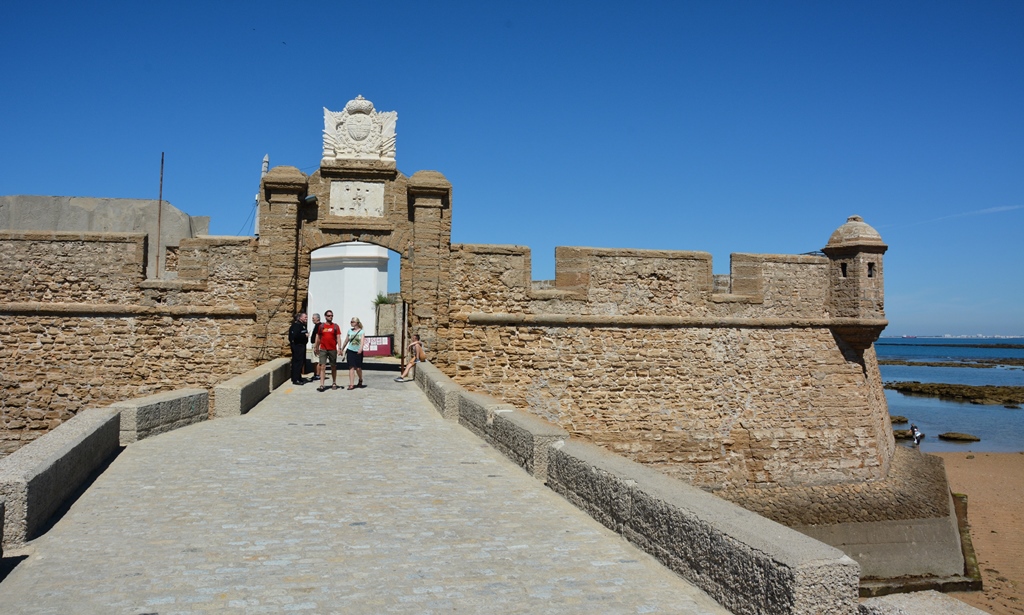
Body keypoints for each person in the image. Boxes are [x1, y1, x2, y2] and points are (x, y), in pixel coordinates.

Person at [315, 310, 342, 391]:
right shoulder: (321, 326)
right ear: (325, 316)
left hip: (332, 348)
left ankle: (334, 382)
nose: (330, 317)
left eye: (331, 315)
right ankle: (322, 384)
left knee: (333, 366)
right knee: (322, 366)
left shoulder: (335, 326)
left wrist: (339, 348)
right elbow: (318, 337)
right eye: (329, 315)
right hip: (323, 348)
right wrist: (316, 347)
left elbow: (338, 337)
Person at [341, 317, 365, 390]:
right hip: (350, 350)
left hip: (358, 351)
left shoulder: (361, 332)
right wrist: (342, 348)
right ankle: (351, 384)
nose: (351, 323)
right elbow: (346, 340)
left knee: (358, 368)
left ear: (357, 323)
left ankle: (360, 379)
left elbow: (362, 341)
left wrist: (361, 348)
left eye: (353, 322)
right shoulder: (350, 331)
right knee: (351, 367)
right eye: (351, 322)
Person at [288, 312, 309, 385]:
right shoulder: (296, 325)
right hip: (297, 346)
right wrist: (304, 336)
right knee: (297, 362)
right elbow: (295, 336)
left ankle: (298, 377)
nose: (306, 318)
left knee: (301, 362)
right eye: (305, 317)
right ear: (300, 318)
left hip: (302, 346)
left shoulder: (302, 325)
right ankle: (295, 379)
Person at [309, 313, 322, 381]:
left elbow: (318, 336)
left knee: (317, 360)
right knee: (314, 360)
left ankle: (317, 374)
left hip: (316, 344)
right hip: (315, 344)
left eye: (313, 318)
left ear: (317, 318)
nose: (312, 320)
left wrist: (316, 346)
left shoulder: (318, 326)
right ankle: (315, 374)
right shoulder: (317, 325)